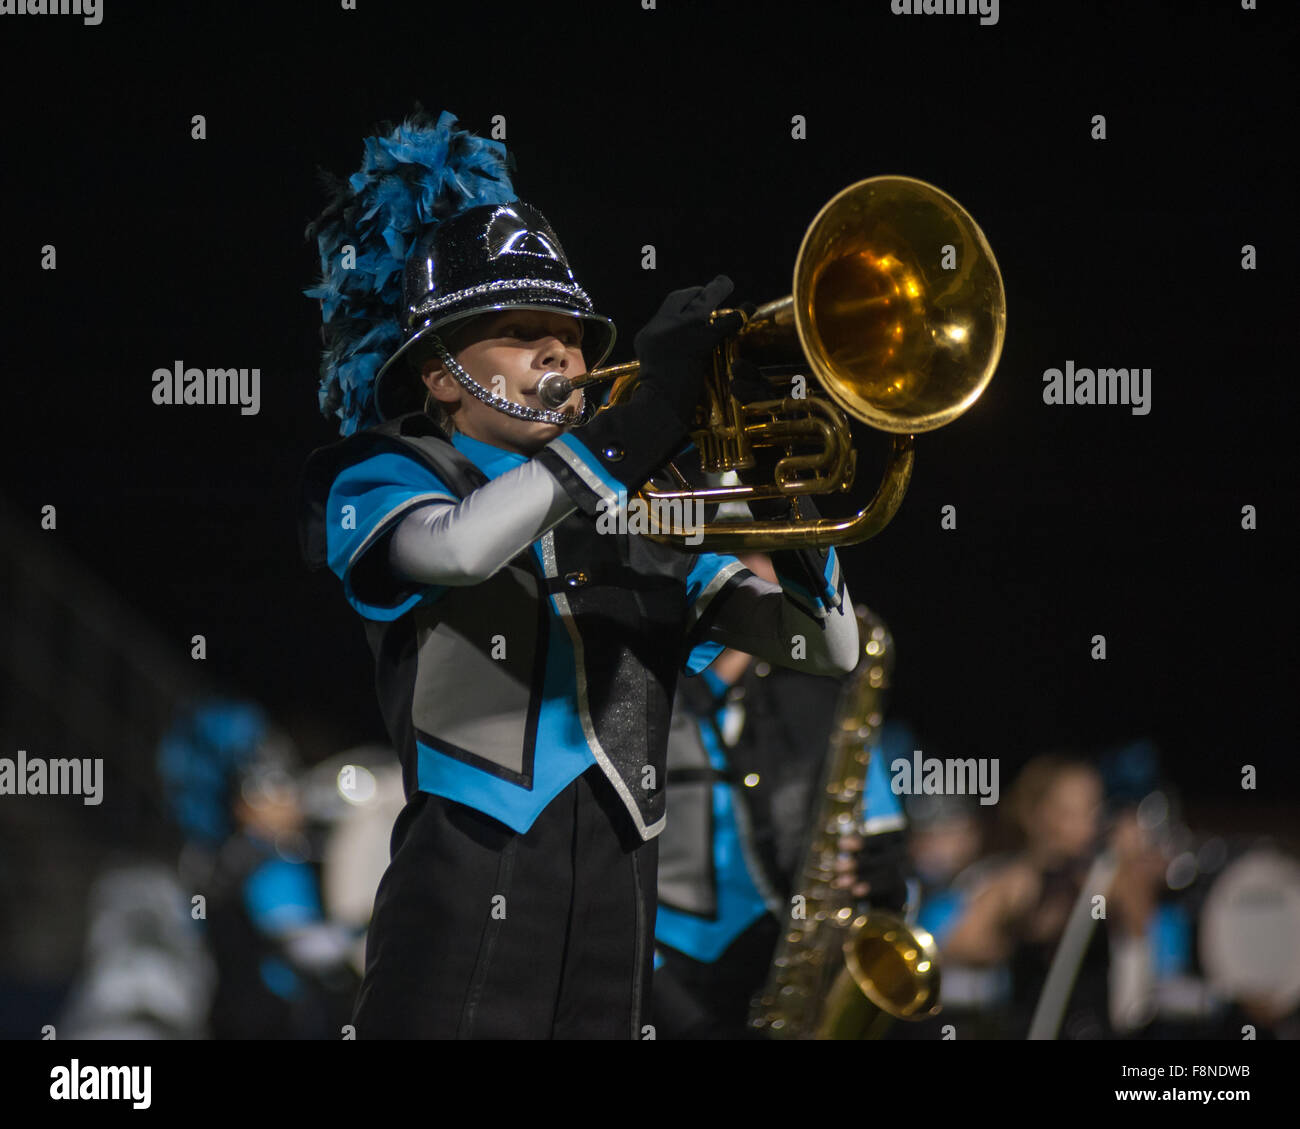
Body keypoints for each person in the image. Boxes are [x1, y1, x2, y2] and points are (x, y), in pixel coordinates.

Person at [297, 110, 860, 1038]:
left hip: (620, 901)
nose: (564, 354)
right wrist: (637, 428)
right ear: (440, 374)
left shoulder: (643, 523)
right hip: (466, 887)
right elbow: (464, 548)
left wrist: (790, 509)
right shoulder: (389, 476)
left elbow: (825, 647)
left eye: (572, 334)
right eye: (523, 332)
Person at [651, 566, 913, 1038]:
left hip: (781, 972)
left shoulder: (822, 703)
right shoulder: (648, 691)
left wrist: (879, 879)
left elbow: (882, 849)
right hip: (662, 980)